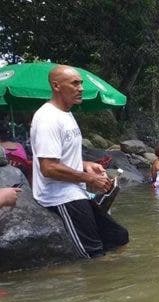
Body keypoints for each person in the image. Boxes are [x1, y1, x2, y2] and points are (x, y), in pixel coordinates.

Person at [30, 64, 129, 258]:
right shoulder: (47, 118)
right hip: (59, 196)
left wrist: (86, 165)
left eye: (81, 83)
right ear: (56, 86)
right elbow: (48, 167)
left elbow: (61, 156)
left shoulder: (66, 114)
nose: (81, 88)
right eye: (75, 83)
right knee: (92, 254)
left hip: (75, 191)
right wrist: (89, 178)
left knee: (119, 237)